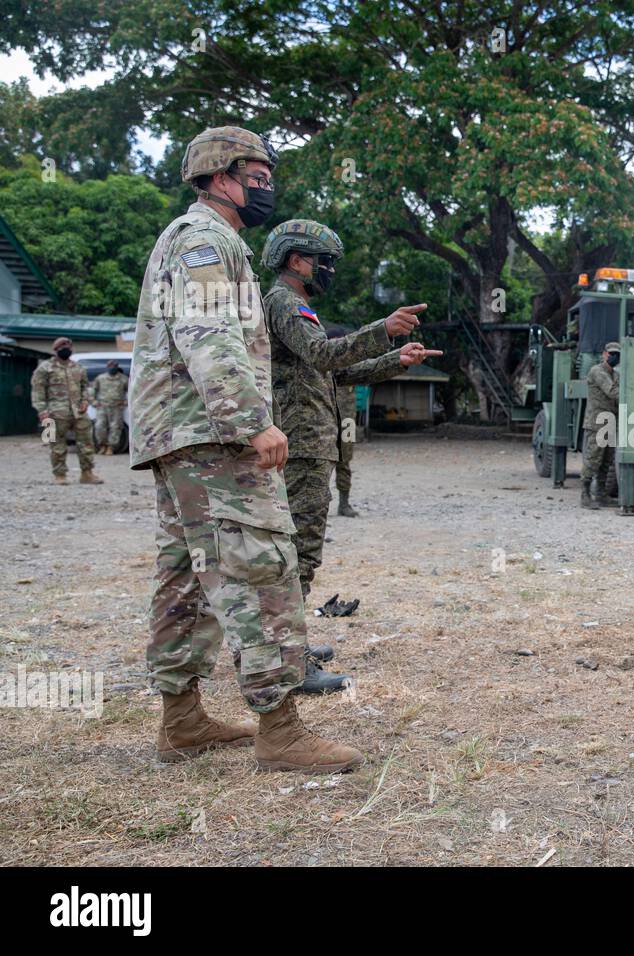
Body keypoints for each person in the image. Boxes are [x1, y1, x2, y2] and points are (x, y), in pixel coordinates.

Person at [130, 125, 362, 774]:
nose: (265, 188)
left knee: (184, 577)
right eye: (256, 176)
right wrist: (253, 421)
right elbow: (208, 333)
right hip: (211, 435)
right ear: (219, 176)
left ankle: (181, 721)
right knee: (263, 570)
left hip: (181, 436)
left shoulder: (204, 240)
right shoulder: (205, 239)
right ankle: (280, 730)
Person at [261, 219, 436, 691]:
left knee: (302, 551)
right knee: (299, 553)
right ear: (297, 260)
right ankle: (288, 661)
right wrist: (382, 329)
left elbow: (336, 371)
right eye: (324, 262)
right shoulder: (284, 302)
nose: (328, 270)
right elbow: (321, 354)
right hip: (301, 445)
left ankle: (288, 645)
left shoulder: (295, 306)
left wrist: (394, 358)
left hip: (310, 443)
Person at [31, 337, 102, 485]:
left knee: (86, 443)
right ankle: (60, 475)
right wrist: (42, 411)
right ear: (56, 350)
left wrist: (85, 401)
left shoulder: (78, 367)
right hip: (55, 412)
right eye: (63, 347)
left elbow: (84, 387)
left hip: (79, 412)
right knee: (56, 444)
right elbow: (38, 391)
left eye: (69, 347)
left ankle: (87, 474)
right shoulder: (45, 368)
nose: (67, 349)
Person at [580, 342, 620, 509]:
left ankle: (601, 494)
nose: (614, 357)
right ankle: (585, 494)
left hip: (610, 422)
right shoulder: (597, 371)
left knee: (606, 460)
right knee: (593, 459)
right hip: (597, 422)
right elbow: (613, 392)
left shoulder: (616, 375)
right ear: (604, 354)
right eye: (611, 353)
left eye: (617, 354)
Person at [327, 337, 359, 517]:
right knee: (321, 461)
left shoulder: (351, 366)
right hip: (327, 420)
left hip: (348, 422)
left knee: (345, 461)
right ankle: (319, 503)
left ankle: (344, 503)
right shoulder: (320, 367)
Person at [92, 359, 128, 454]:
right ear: (107, 367)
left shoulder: (124, 379)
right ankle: (102, 445)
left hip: (117, 407)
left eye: (114, 366)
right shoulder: (100, 378)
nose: (112, 368)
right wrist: (94, 402)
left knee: (115, 428)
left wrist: (126, 402)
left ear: (117, 367)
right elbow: (93, 391)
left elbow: (132, 392)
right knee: (99, 426)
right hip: (102, 407)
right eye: (110, 366)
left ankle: (111, 447)